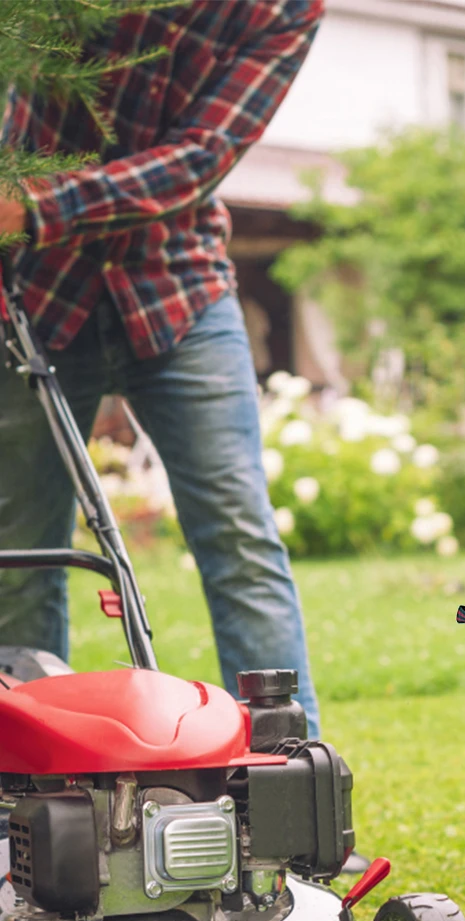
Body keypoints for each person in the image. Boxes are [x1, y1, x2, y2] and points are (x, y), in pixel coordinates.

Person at [0, 1, 325, 738]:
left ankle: (287, 792)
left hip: (177, 287)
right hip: (37, 289)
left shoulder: (280, 9)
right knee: (21, 557)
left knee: (241, 541)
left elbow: (200, 157)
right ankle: (26, 806)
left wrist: (35, 203)